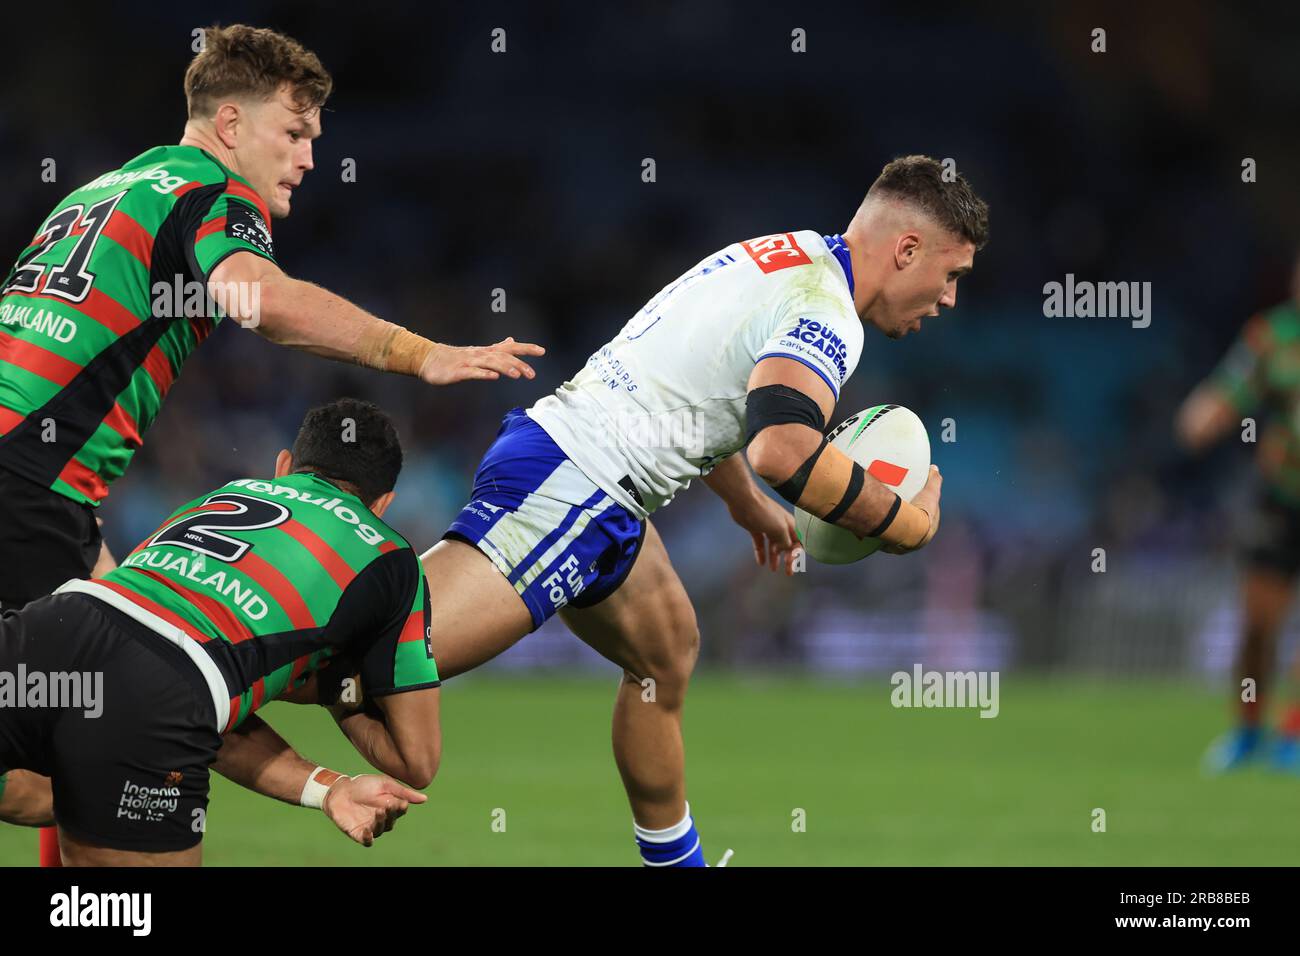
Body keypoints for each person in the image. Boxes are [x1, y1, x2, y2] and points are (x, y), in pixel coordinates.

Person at [0, 22, 540, 840]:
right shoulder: (212, 194)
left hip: (41, 495)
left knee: (96, 696)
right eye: (294, 132)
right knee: (75, 760)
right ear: (229, 126)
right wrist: (419, 352)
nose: (309, 158)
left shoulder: (102, 191)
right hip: (25, 488)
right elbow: (264, 301)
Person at [417, 155, 987, 865]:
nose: (949, 298)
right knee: (399, 649)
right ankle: (240, 662)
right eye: (953, 274)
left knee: (664, 656)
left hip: (585, 471)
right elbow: (783, 449)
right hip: (575, 483)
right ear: (907, 250)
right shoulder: (828, 313)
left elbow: (699, 379)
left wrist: (743, 502)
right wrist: (905, 525)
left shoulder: (792, 254)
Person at [0, 398, 441, 865]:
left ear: (284, 466)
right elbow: (416, 759)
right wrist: (336, 680)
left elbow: (189, 680)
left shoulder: (225, 495)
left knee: (41, 793)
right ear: (383, 504)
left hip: (54, 625)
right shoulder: (393, 558)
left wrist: (324, 789)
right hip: (161, 692)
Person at [1177, 250, 1300, 773]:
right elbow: (1227, 391)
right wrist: (1207, 415)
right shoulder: (1271, 336)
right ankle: (1248, 731)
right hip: (1279, 499)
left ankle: (1292, 736)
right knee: (1258, 626)